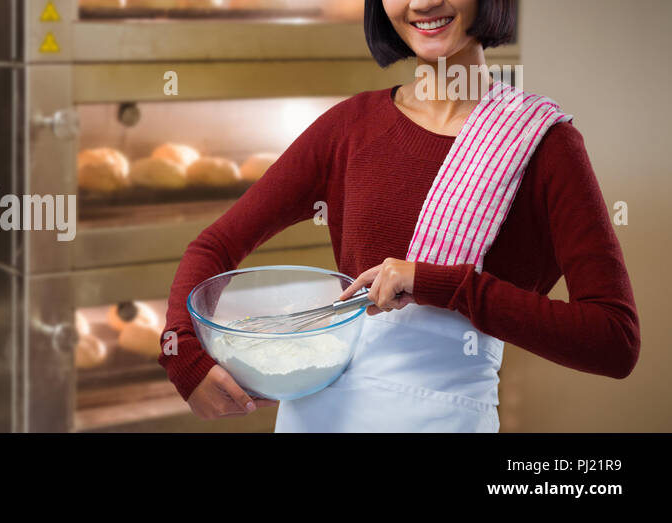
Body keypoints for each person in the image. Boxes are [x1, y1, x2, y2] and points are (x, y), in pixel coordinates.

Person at [158, 0, 639, 432]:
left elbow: (614, 339)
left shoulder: (544, 145)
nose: (424, 2)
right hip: (320, 418)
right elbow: (213, 246)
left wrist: (444, 285)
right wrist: (184, 359)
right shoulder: (351, 127)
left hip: (447, 419)